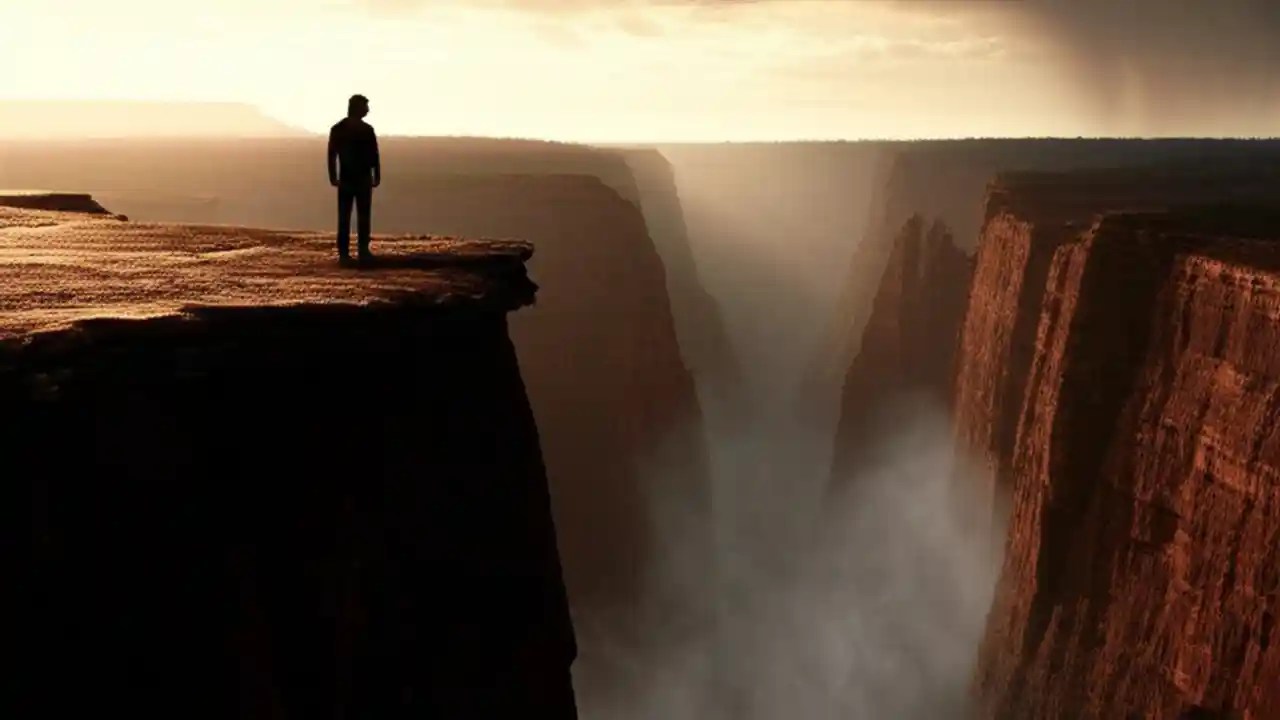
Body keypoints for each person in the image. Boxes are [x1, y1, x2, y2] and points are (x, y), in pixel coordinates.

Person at [327, 94, 381, 263]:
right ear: (358, 108)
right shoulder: (366, 130)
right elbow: (374, 156)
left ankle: (345, 253)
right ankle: (361, 251)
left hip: (348, 179)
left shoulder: (338, 129)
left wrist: (333, 176)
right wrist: (376, 175)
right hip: (359, 179)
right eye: (365, 106)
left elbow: (331, 155)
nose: (368, 110)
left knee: (345, 216)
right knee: (361, 216)